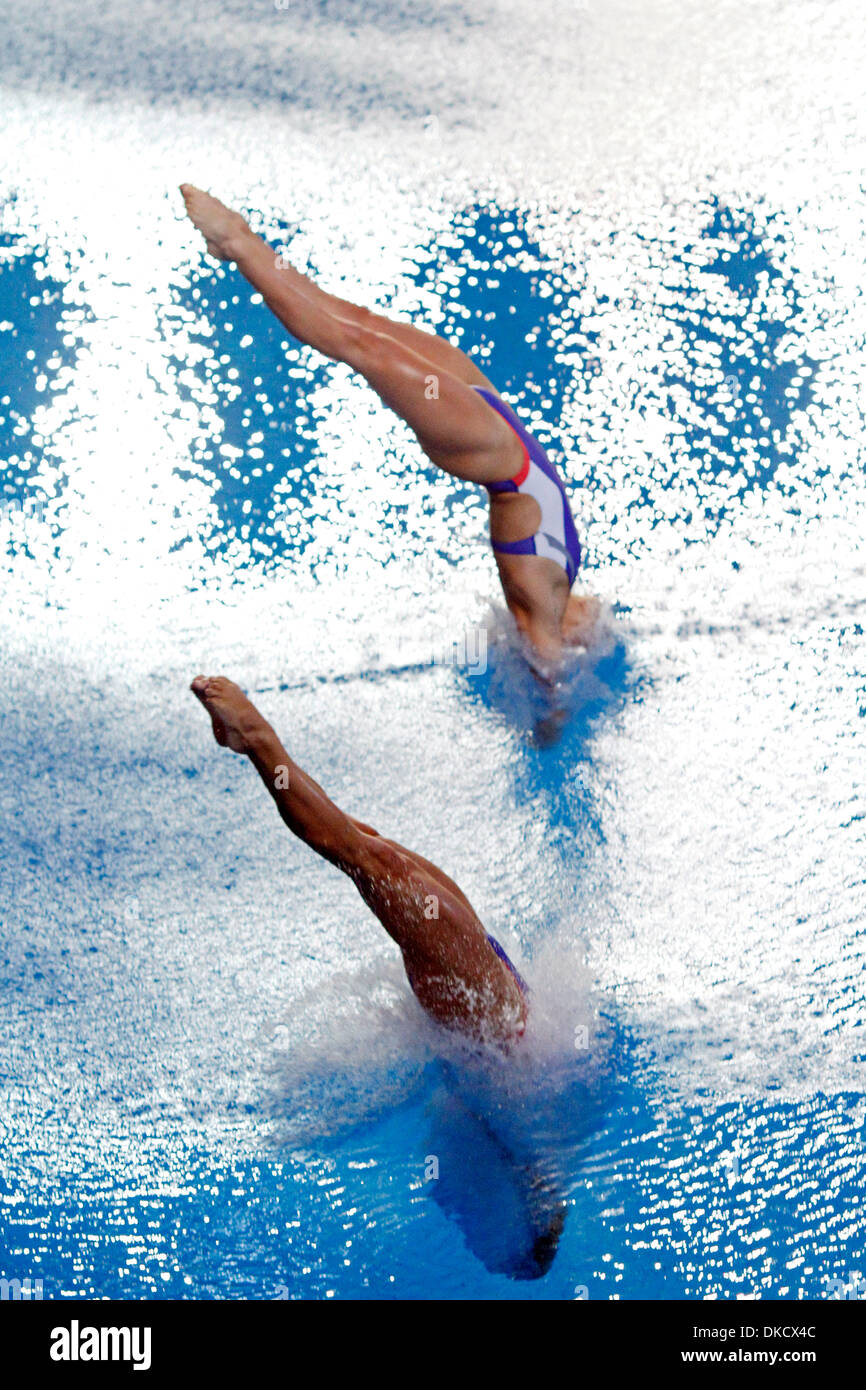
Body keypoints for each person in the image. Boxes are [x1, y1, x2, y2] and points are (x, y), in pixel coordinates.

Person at [180, 185, 599, 667]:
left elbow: (549, 683)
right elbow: (588, 630)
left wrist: (549, 720)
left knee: (362, 345)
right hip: (495, 418)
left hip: (489, 446)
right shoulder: (568, 604)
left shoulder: (539, 629)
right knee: (360, 322)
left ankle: (235, 241)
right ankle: (242, 246)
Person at [191, 675, 528, 1046]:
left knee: (367, 857)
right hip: (501, 998)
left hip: (492, 1021)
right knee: (372, 846)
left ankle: (257, 739)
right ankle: (256, 748)